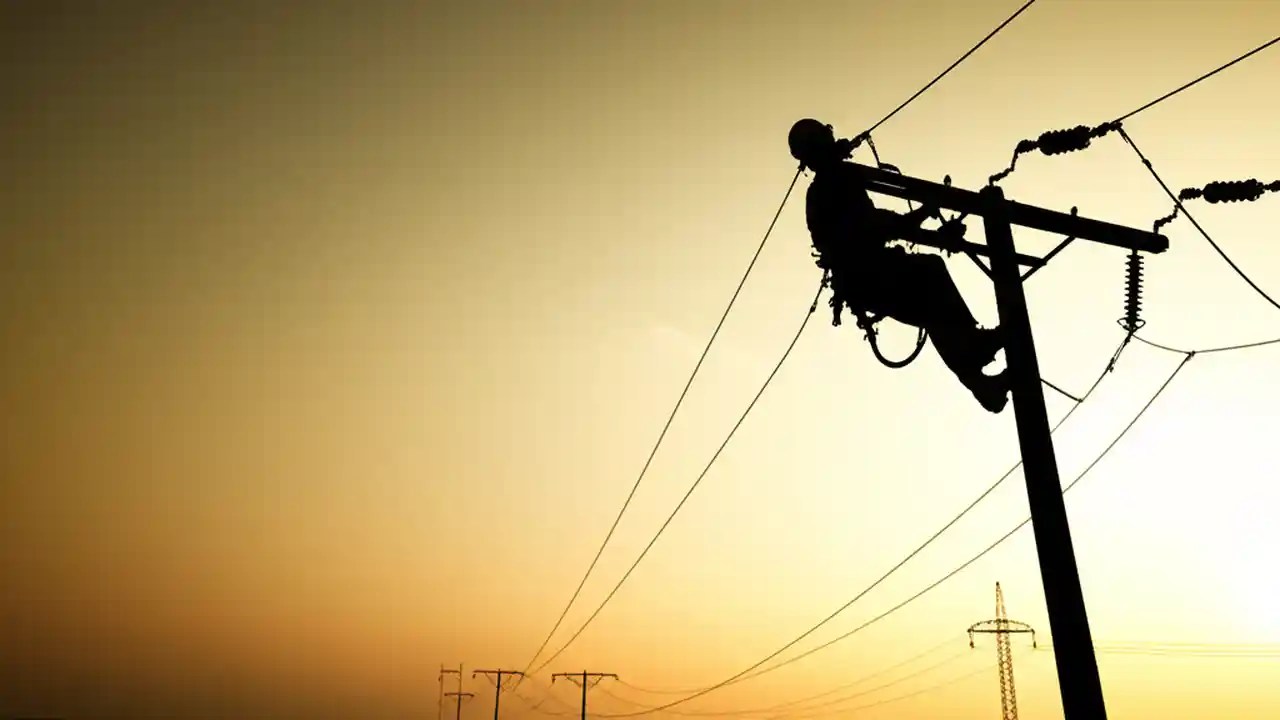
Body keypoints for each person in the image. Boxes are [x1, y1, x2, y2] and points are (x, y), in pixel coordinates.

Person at [788, 118, 1009, 413]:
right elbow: (874, 227)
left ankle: (981, 384)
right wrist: (923, 217)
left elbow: (877, 227)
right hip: (867, 276)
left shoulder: (834, 183)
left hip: (869, 276)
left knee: (933, 308)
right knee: (930, 273)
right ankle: (976, 355)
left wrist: (930, 229)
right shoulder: (830, 187)